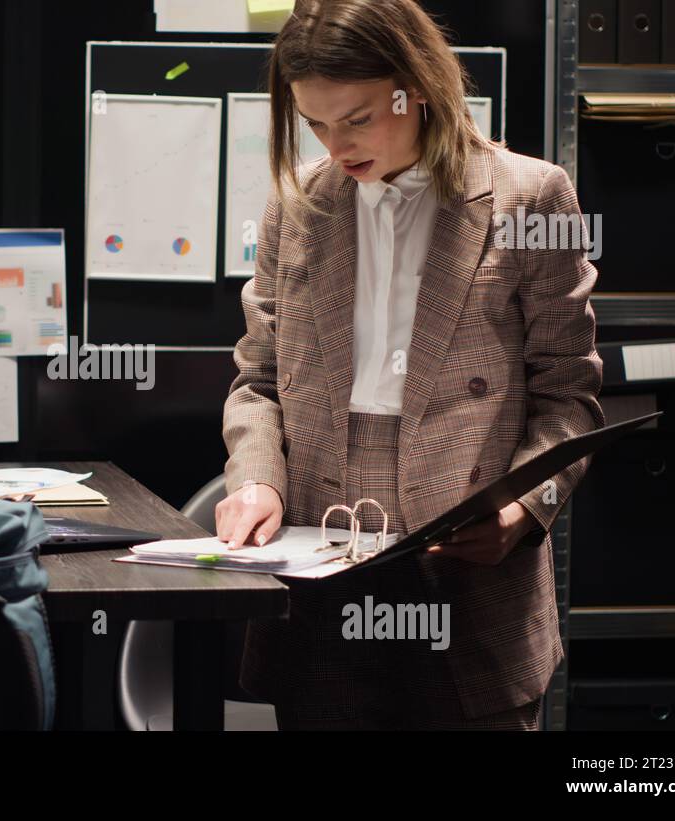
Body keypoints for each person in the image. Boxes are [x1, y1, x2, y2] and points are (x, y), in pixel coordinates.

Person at [218, 0, 605, 730]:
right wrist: (257, 479)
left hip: (471, 572)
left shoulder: (531, 197)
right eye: (316, 124)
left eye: (358, 119)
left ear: (417, 84)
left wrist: (525, 508)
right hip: (319, 570)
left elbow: (569, 396)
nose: (337, 145)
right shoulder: (296, 205)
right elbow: (258, 382)